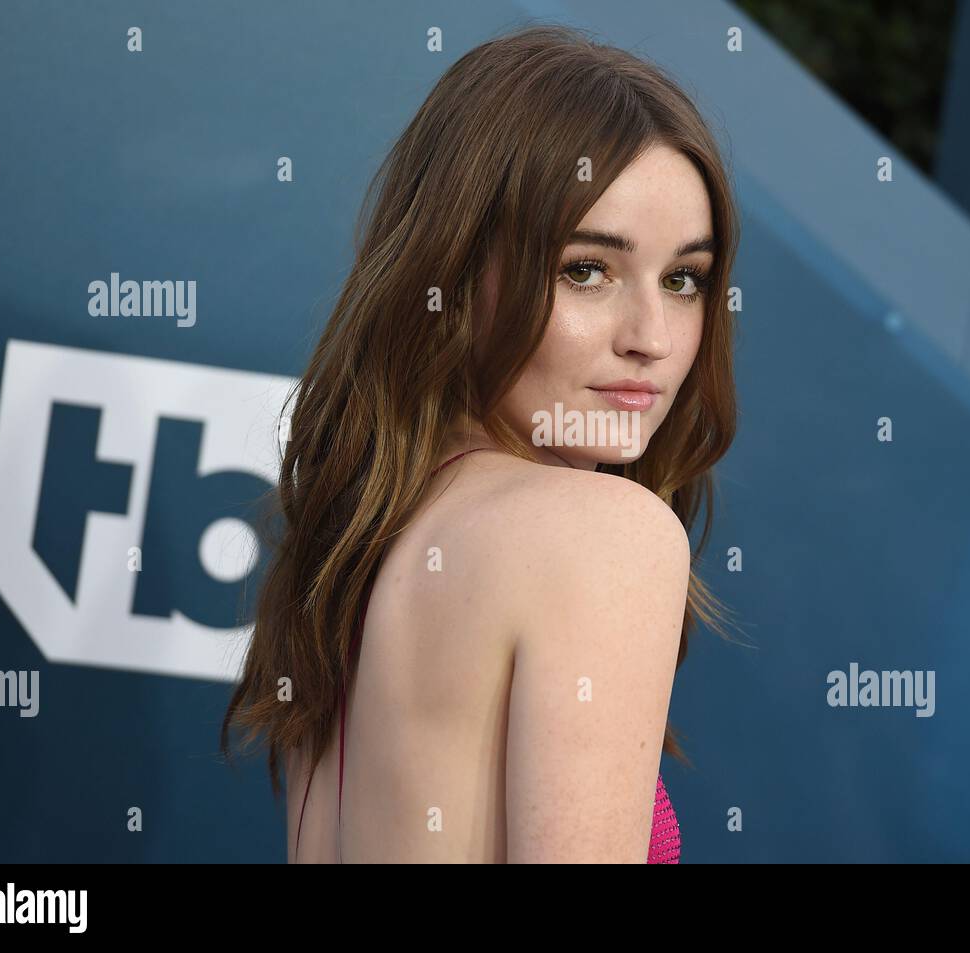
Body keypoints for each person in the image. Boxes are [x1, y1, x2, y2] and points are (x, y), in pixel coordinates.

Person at [220, 23, 740, 863]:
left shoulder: (358, 554)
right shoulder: (609, 534)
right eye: (587, 269)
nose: (653, 336)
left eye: (684, 279)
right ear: (456, 273)